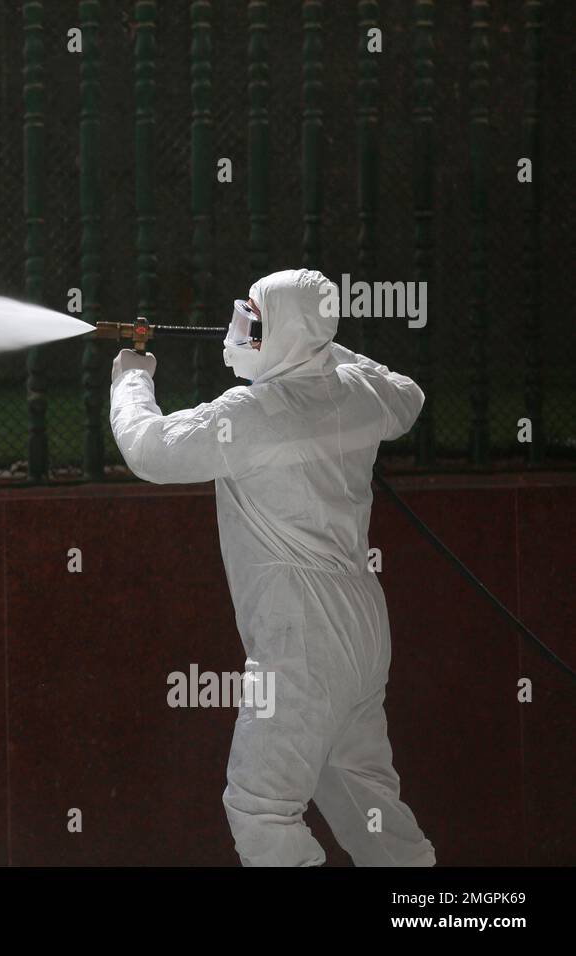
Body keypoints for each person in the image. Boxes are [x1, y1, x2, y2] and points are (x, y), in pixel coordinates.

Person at [109, 268, 436, 867]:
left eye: (253, 323)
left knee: (260, 810)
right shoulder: (358, 392)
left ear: (281, 332)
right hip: (362, 630)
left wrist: (132, 379)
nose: (240, 332)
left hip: (300, 641)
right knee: (368, 800)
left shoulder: (254, 413)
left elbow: (150, 449)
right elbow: (408, 395)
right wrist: (317, 345)